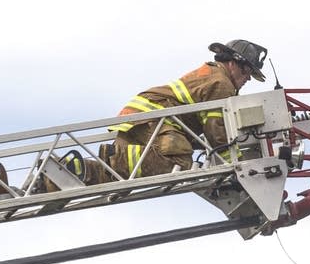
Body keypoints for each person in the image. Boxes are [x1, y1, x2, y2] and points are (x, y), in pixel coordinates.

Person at [99, 39, 270, 180]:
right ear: (232, 62)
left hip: (140, 118)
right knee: (180, 162)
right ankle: (113, 156)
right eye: (247, 70)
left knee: (115, 175)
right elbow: (216, 131)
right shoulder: (222, 84)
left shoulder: (212, 73)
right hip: (153, 118)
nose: (248, 78)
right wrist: (237, 166)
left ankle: (83, 168)